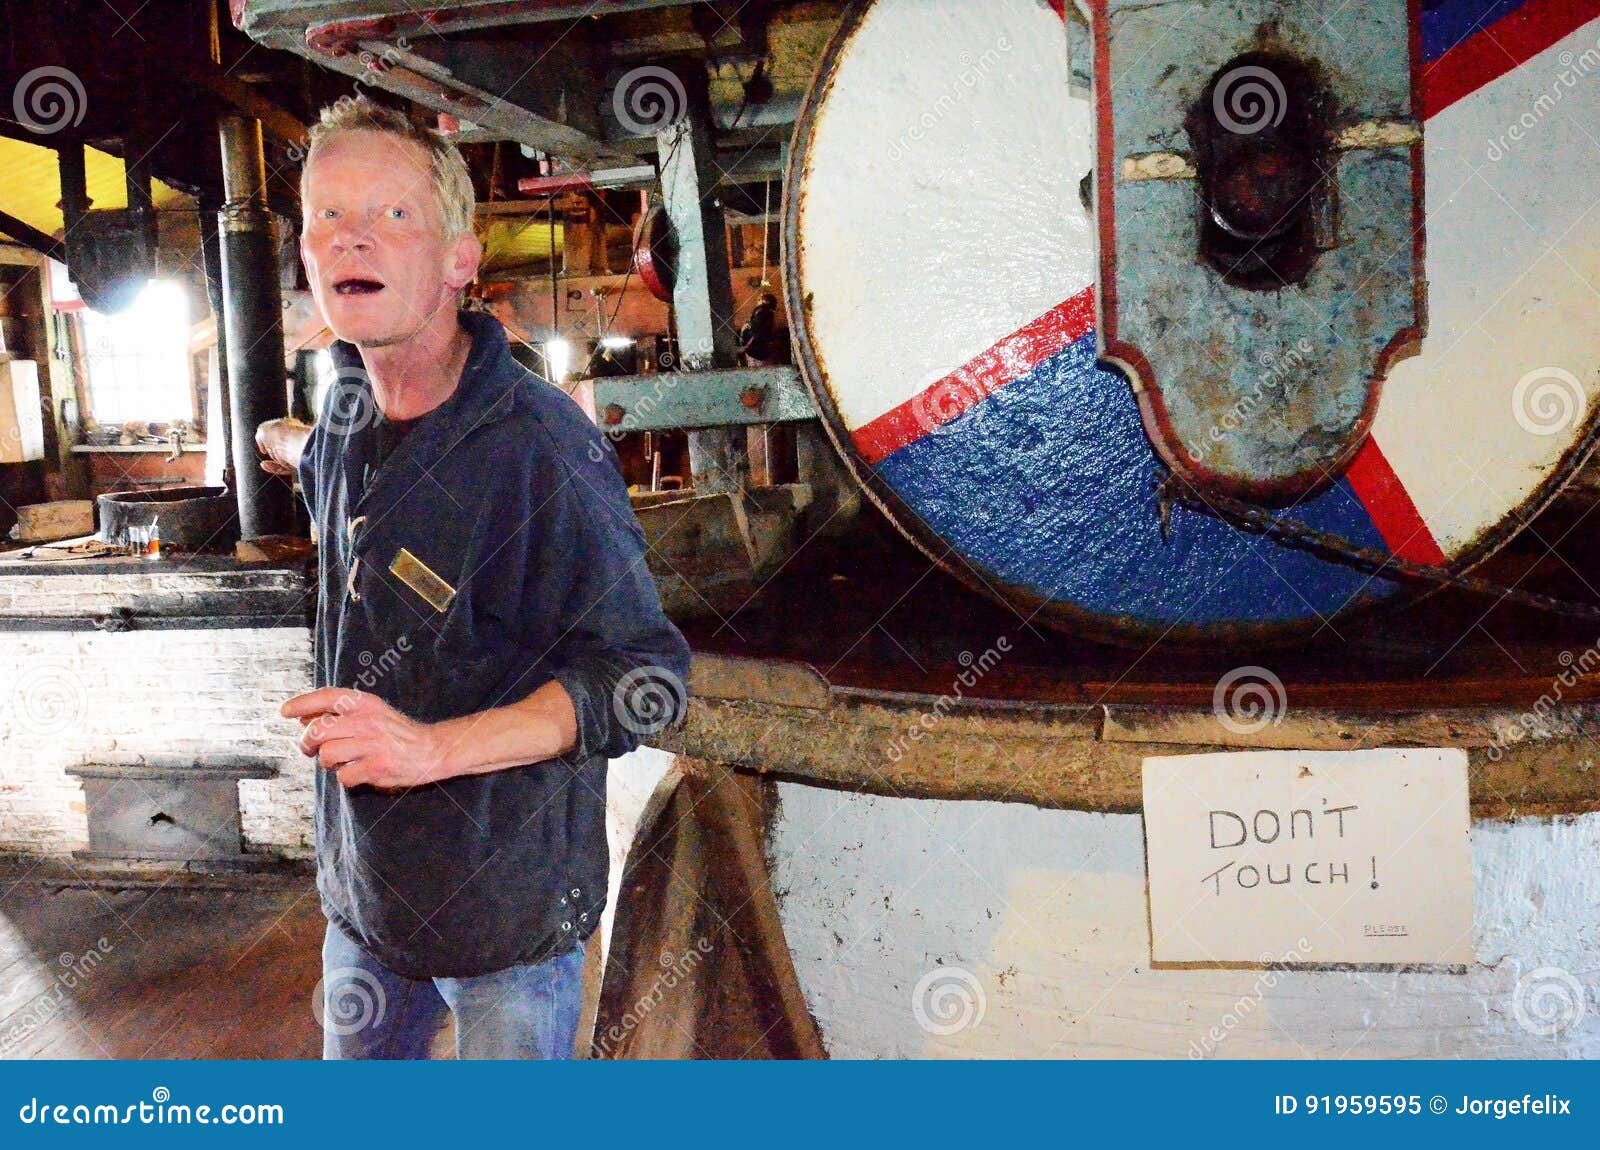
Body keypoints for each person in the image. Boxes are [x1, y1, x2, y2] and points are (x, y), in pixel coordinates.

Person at [255, 97, 691, 1060]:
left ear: (461, 258)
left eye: (392, 215)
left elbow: (649, 682)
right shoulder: (345, 422)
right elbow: (326, 475)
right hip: (364, 903)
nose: (350, 237)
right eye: (328, 215)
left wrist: (431, 749)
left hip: (506, 918)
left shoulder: (540, 448)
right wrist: (280, 441)